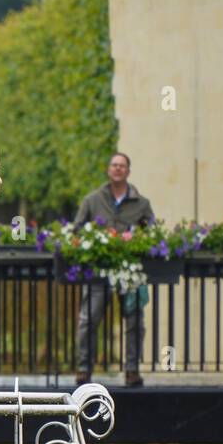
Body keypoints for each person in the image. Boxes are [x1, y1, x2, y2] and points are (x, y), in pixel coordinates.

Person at [72, 152, 156, 387]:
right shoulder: (93, 200)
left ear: (128, 171)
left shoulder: (142, 203)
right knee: (89, 319)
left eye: (122, 166)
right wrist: (95, 239)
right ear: (109, 170)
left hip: (130, 271)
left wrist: (136, 239)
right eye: (114, 165)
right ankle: (83, 368)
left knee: (134, 321)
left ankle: (131, 369)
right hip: (100, 269)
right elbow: (77, 229)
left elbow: (152, 232)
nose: (118, 169)